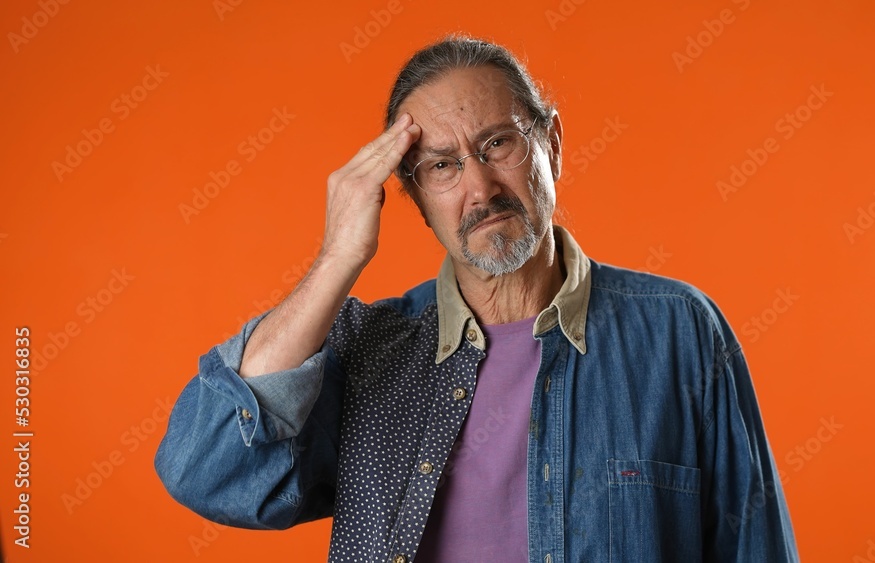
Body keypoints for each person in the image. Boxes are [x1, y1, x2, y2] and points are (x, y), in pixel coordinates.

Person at [154, 36, 799, 562]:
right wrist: (337, 260)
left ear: (551, 144)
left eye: (498, 143)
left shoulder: (678, 331)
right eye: (442, 166)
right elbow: (203, 468)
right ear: (413, 197)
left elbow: (757, 545)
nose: (480, 187)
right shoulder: (372, 354)